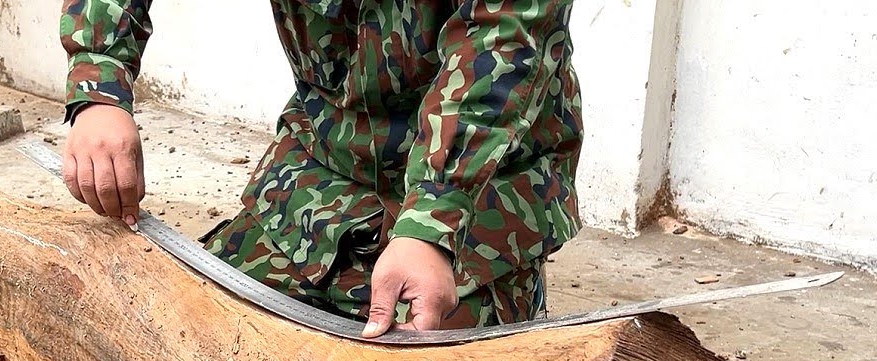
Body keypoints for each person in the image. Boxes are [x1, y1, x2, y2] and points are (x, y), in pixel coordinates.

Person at [60, 0, 581, 337]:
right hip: (324, 160)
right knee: (192, 331)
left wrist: (431, 225)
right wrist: (99, 84)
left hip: (481, 184)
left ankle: (507, 293)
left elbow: (502, 41)